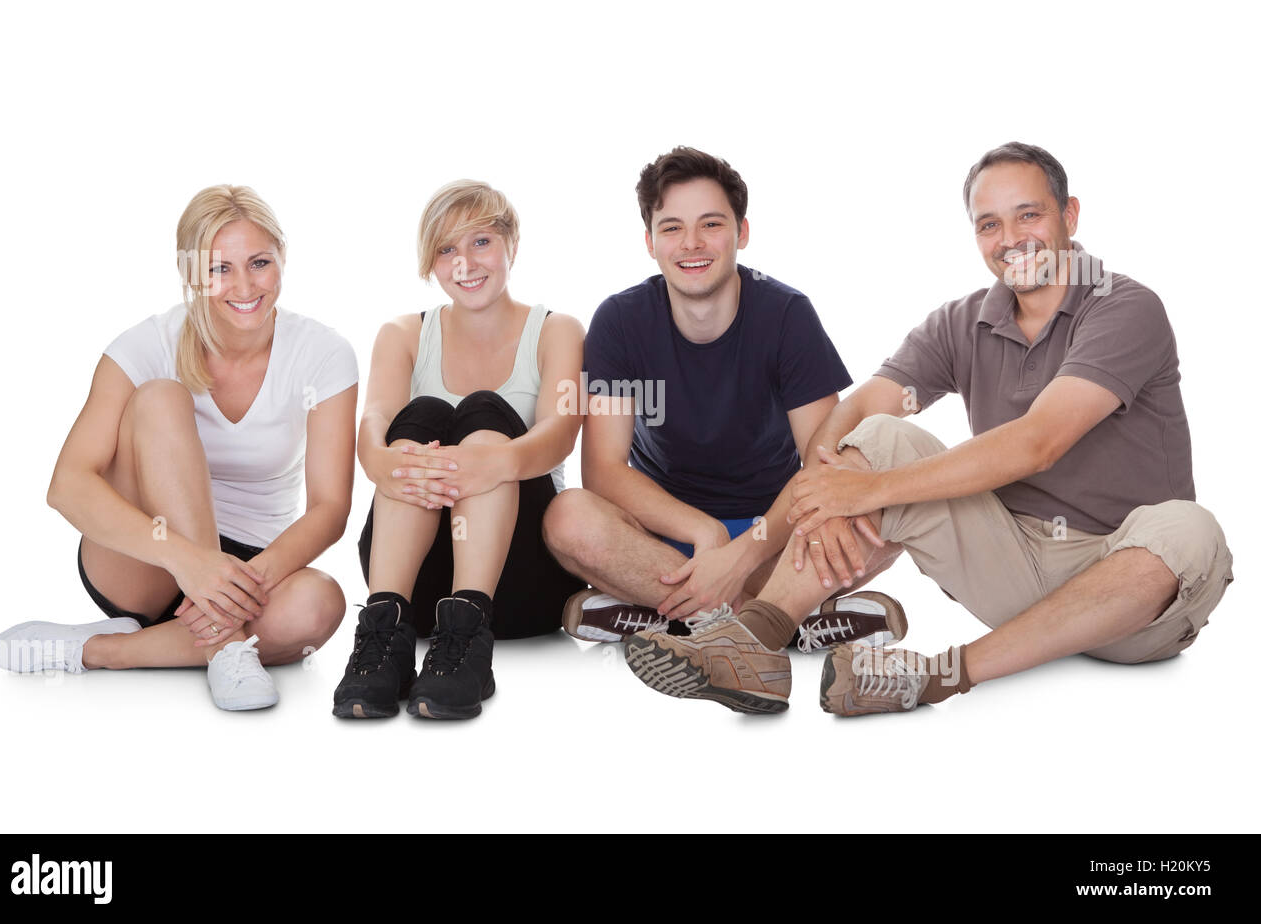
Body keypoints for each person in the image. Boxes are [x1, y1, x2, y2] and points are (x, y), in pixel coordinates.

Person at [623, 141, 1233, 716]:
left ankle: (929, 674)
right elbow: (863, 408)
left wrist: (869, 492)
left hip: (1136, 592)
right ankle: (753, 641)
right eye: (989, 224)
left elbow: (1039, 442)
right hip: (1015, 567)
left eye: (1028, 215)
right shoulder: (965, 320)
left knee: (1190, 528)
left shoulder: (1124, 306)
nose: (1010, 238)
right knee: (878, 439)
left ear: (1069, 214)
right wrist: (829, 479)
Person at [542, 146, 909, 715]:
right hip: (666, 538)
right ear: (650, 241)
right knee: (566, 516)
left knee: (888, 499)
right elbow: (604, 470)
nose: (692, 244)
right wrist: (708, 534)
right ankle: (783, 624)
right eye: (672, 227)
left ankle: (674, 621)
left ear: (740, 231)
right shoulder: (620, 319)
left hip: (778, 535)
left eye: (710, 225)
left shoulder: (786, 315)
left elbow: (824, 463)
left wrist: (742, 552)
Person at [0, 185, 359, 711]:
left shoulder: (324, 354)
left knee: (321, 603)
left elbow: (330, 508)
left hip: (254, 568)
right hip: (144, 563)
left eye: (259, 263)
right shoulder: (147, 344)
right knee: (161, 398)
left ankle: (102, 650)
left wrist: (232, 586)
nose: (244, 285)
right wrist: (191, 563)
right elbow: (67, 486)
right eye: (219, 269)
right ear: (190, 275)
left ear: (282, 261)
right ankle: (228, 648)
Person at [333, 180, 585, 721]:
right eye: (447, 249)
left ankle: (469, 634)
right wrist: (381, 461)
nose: (465, 263)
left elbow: (562, 434)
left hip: (520, 582)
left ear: (511, 245)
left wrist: (494, 460)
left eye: (480, 243)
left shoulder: (557, 330)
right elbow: (375, 421)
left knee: (484, 411)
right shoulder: (402, 333)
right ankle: (381, 638)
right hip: (417, 585)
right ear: (431, 262)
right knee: (422, 417)